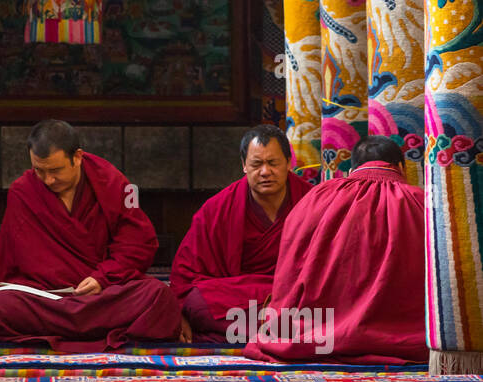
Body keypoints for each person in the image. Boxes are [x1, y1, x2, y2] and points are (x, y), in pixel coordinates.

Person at [0, 119, 180, 350]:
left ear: (77, 157)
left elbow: (138, 245)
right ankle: (98, 328)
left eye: (55, 170)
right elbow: (9, 258)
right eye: (39, 171)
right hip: (49, 297)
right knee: (3, 305)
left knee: (158, 295)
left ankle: (72, 327)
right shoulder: (23, 191)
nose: (48, 180)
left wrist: (102, 278)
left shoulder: (112, 183)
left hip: (101, 294)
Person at [242, 134, 427, 364]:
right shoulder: (422, 202)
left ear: (352, 169)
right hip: (406, 338)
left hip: (321, 332)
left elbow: (291, 267)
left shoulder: (318, 196)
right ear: (401, 168)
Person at [169, 125, 312, 343]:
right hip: (237, 295)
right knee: (196, 302)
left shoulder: (314, 201)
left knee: (325, 301)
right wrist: (180, 314)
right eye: (256, 164)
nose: (265, 172)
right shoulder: (218, 208)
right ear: (244, 166)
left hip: (292, 293)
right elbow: (185, 273)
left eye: (273, 163)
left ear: (288, 163)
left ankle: (236, 334)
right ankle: (287, 332)